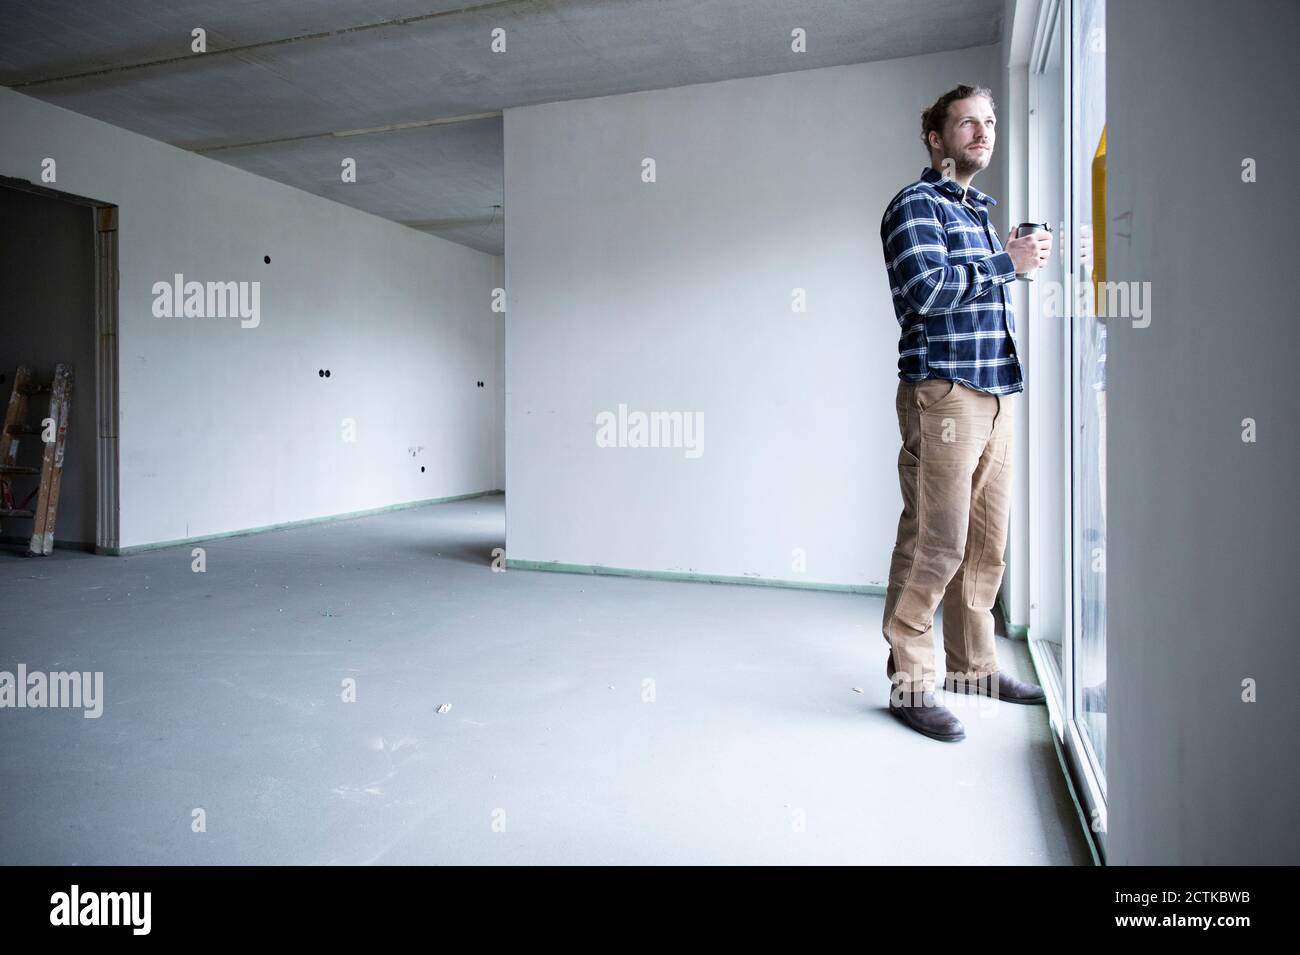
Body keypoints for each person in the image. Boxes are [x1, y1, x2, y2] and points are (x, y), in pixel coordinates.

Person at [878, 84, 1052, 742]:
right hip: (944, 392)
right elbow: (924, 291)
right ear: (935, 137)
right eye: (967, 123)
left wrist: (1003, 260)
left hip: (998, 391)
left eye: (990, 122)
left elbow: (979, 287)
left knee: (986, 546)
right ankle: (910, 682)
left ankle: (974, 667)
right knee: (935, 541)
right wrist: (1004, 263)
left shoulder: (979, 214)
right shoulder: (915, 204)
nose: (983, 133)